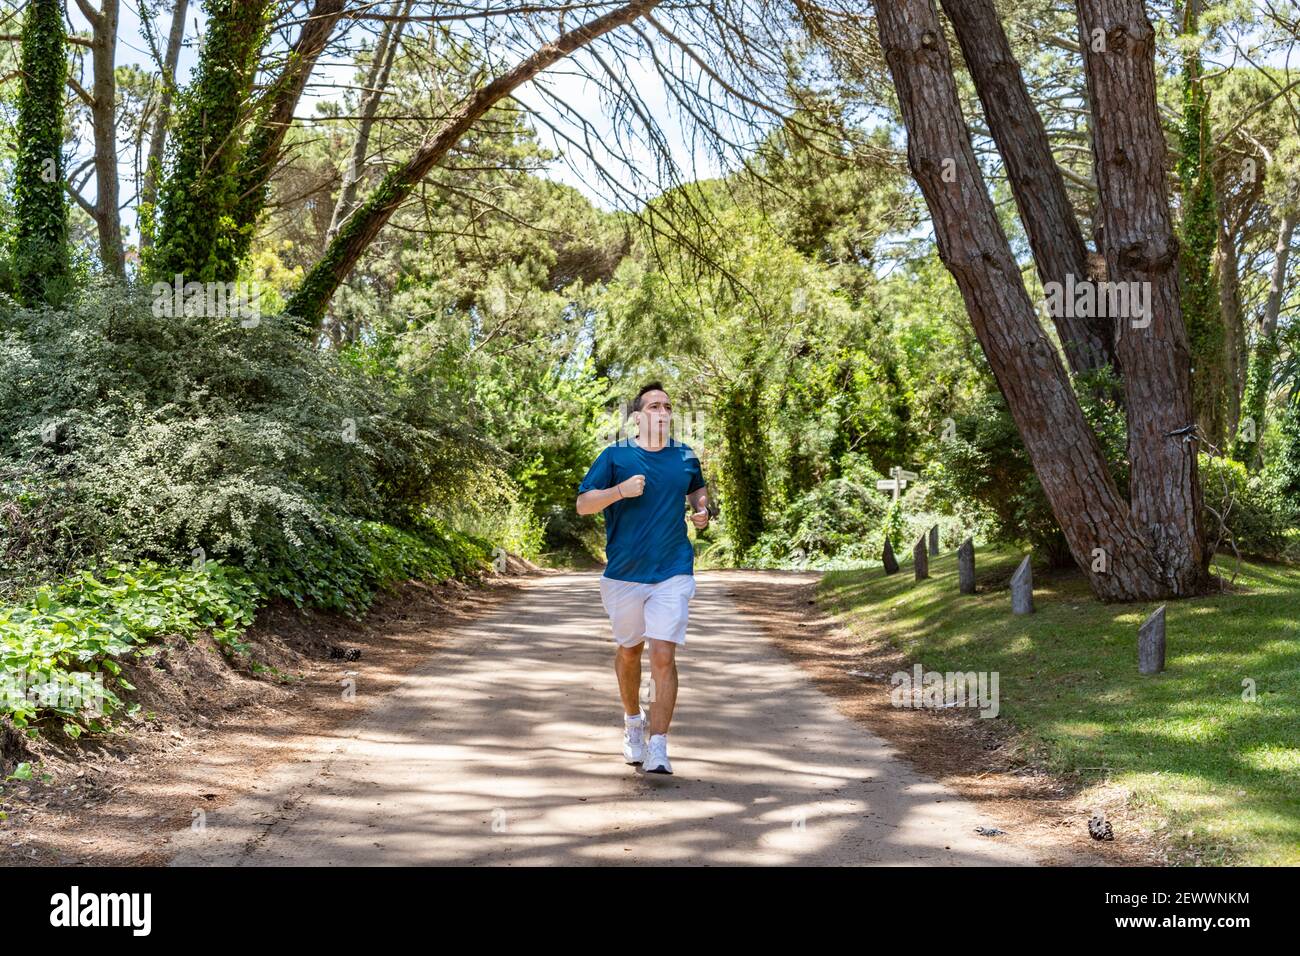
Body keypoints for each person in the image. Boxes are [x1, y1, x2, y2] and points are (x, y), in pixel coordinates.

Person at [575, 382, 710, 774]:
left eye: (668, 406)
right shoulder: (615, 456)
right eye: (654, 406)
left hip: (672, 570)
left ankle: (659, 745)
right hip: (624, 574)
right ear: (637, 417)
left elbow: (697, 492)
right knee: (630, 651)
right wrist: (619, 490)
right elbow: (584, 504)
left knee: (663, 653)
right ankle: (633, 722)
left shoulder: (685, 456)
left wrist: (702, 512)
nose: (663, 411)